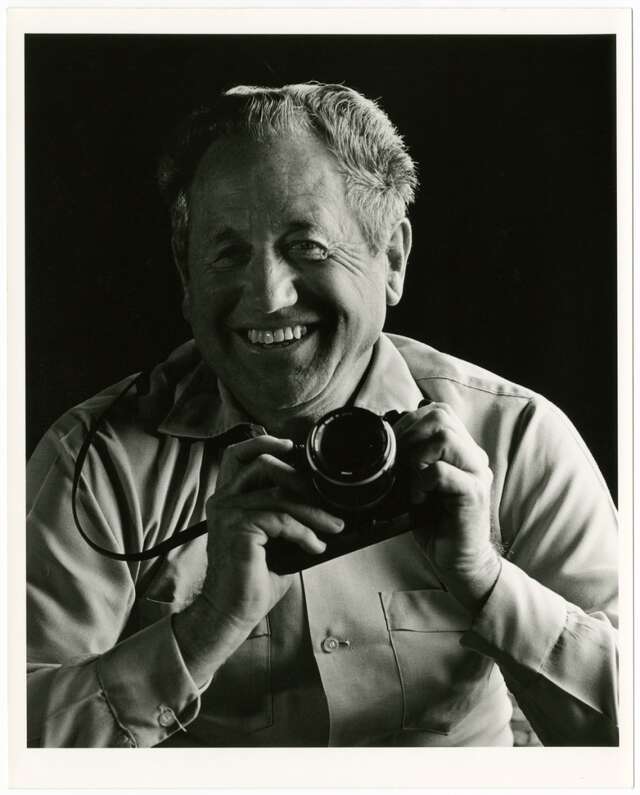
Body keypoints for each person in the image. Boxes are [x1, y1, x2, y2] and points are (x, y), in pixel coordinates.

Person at [27, 82, 618, 748]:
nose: (269, 297)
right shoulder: (93, 462)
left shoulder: (516, 438)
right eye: (227, 254)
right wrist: (208, 626)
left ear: (391, 257)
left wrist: (486, 582)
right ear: (186, 278)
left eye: (307, 247)